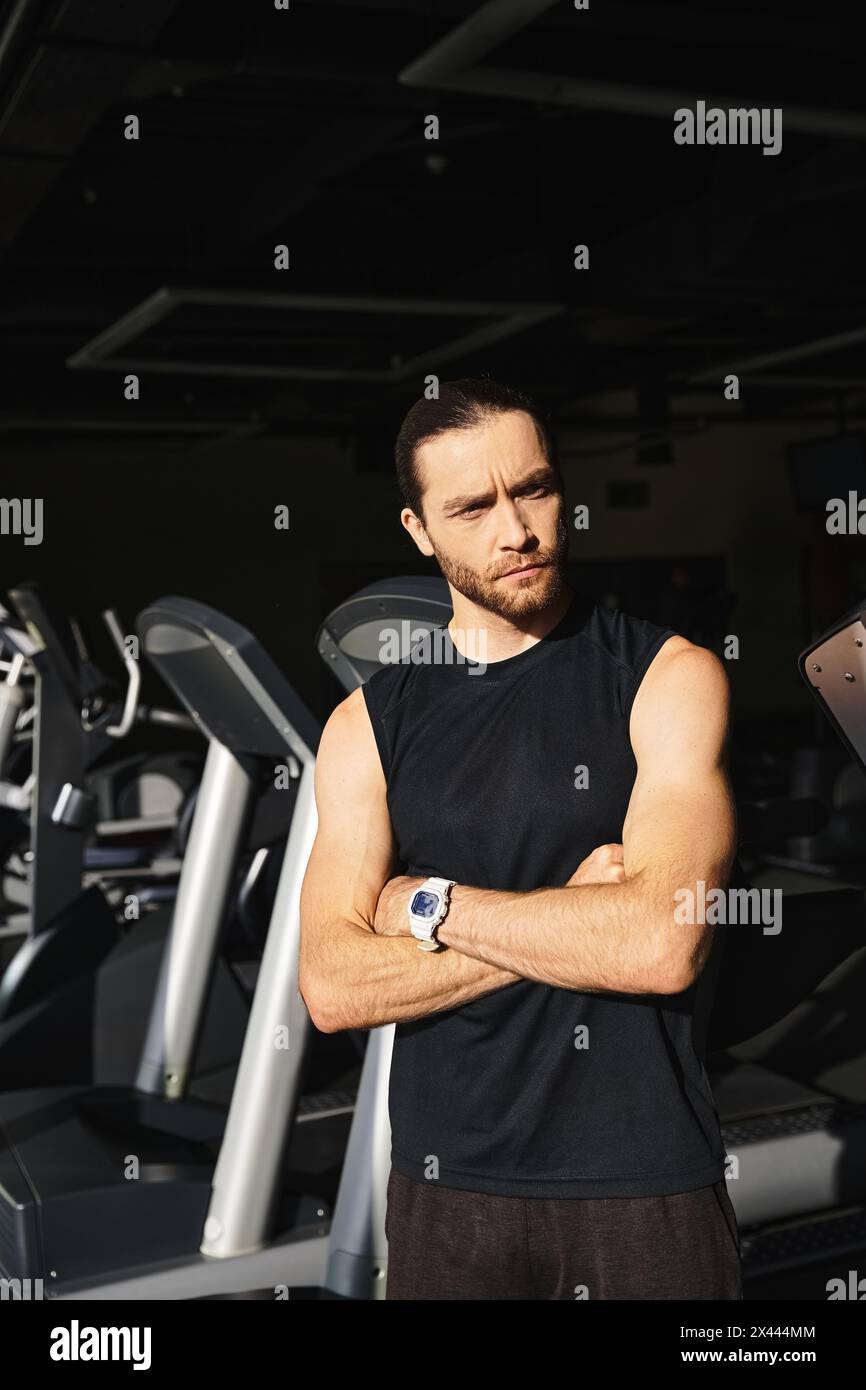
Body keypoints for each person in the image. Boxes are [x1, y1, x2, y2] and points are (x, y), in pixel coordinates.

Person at [299, 377, 742, 1300]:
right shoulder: (365, 728)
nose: (517, 531)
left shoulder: (665, 677)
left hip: (644, 1184)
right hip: (445, 1189)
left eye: (533, 489)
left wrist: (428, 907)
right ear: (419, 531)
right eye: (472, 508)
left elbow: (662, 944)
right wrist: (579, 917)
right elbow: (335, 987)